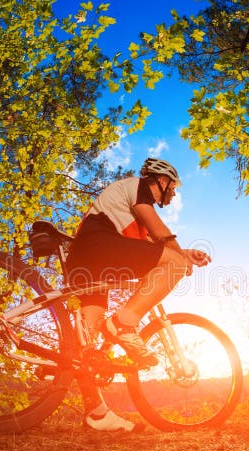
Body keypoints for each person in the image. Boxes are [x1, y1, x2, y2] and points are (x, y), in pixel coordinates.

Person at [66, 157, 211, 432]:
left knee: (88, 347)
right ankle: (123, 323)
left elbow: (152, 249)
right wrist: (180, 260)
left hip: (86, 258)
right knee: (175, 265)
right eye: (173, 187)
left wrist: (183, 254)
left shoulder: (129, 219)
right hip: (99, 246)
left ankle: (97, 414)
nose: (173, 193)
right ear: (162, 180)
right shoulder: (139, 188)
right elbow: (160, 234)